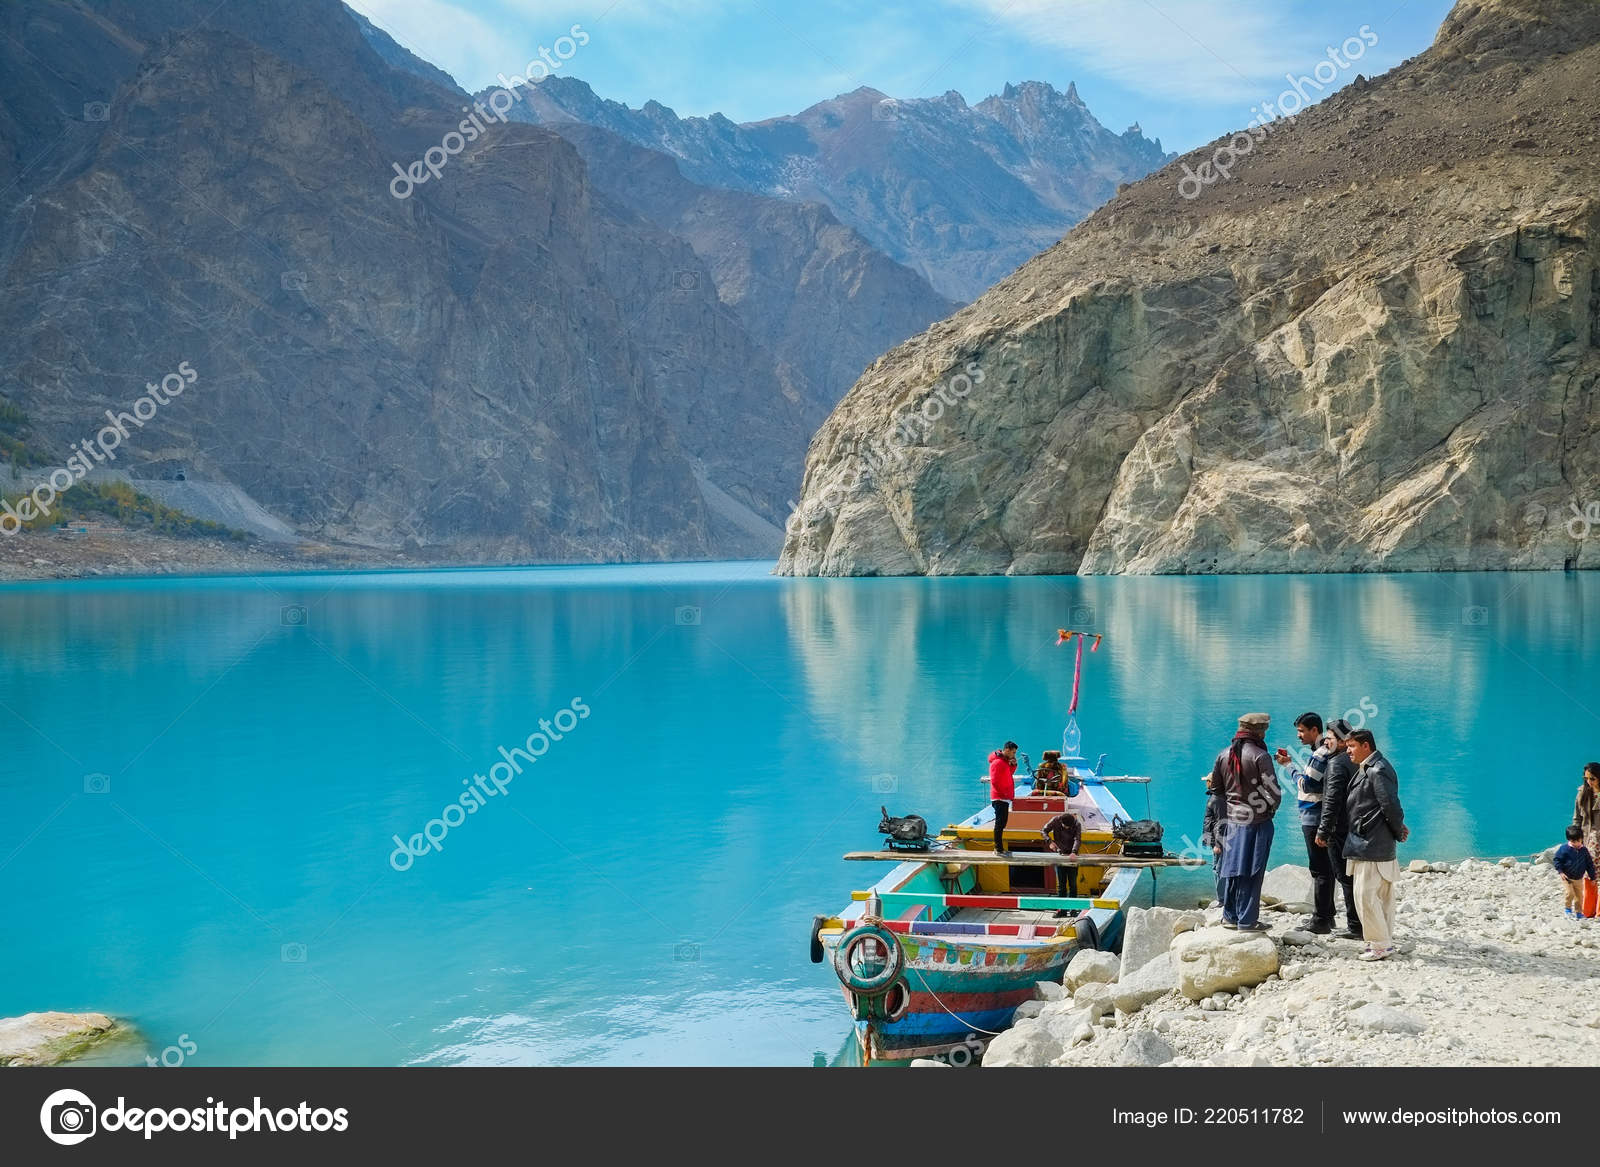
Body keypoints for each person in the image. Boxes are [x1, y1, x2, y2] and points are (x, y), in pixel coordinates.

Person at [1209, 712, 1282, 931]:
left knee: (1232, 869)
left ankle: (1230, 916)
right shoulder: (1261, 756)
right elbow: (1274, 793)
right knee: (1253, 870)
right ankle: (1248, 920)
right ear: (1260, 732)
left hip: (1232, 822)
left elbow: (1216, 790)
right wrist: (1269, 809)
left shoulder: (1223, 755)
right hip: (1257, 823)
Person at [1342, 729, 1408, 961]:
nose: (1347, 750)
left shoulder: (1378, 770)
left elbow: (1390, 805)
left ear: (1366, 746)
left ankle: (1380, 944)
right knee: (1377, 895)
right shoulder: (1372, 767)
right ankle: (1382, 941)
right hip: (1370, 839)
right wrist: (1398, 829)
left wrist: (1398, 830)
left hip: (1371, 842)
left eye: (1351, 746)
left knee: (1366, 896)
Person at [1277, 712, 1335, 934]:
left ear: (1314, 730)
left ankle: (1320, 920)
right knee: (1326, 868)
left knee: (1319, 869)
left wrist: (1289, 766)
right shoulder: (1325, 751)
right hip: (1322, 815)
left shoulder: (1320, 754)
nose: (1299, 736)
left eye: (1302, 731)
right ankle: (1328, 916)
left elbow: (1307, 785)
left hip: (1314, 816)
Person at [1313, 719, 1362, 940]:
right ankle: (1362, 922)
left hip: (1340, 828)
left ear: (1342, 742)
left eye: (1330, 738)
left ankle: (1355, 926)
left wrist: (1323, 831)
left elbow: (1331, 801)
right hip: (1357, 825)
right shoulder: (1357, 761)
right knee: (1357, 876)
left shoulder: (1336, 764)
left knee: (1345, 876)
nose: (1325, 741)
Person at [1572, 763, 1600, 919]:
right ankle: (1588, 910)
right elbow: (1577, 818)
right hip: (1588, 839)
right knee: (1589, 875)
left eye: (1593, 778)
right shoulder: (1582, 793)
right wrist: (1575, 839)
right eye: (1586, 778)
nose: (1589, 781)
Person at [1554, 825, 1596, 919]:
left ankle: (1578, 913)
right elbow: (1557, 860)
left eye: (1578, 841)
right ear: (1569, 840)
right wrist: (1560, 872)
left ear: (1581, 839)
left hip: (1578, 878)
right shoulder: (1564, 849)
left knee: (1579, 896)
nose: (1576, 843)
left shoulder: (1584, 850)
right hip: (1567, 877)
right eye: (1573, 841)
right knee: (1570, 893)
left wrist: (1592, 877)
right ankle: (1567, 909)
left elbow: (1589, 864)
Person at [1041, 810, 1082, 897]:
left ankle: (1073, 909)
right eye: (1065, 826)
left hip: (1072, 856)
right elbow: (1043, 831)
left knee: (1073, 885)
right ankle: (1062, 909)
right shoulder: (1055, 820)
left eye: (1069, 827)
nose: (1067, 828)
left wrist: (1074, 852)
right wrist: (1050, 842)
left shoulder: (1077, 824)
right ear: (1061, 822)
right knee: (1061, 885)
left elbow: (1077, 839)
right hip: (1060, 854)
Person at [988, 740, 1019, 854]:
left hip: (1004, 797)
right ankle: (998, 849)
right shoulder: (997, 763)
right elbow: (995, 781)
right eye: (1013, 752)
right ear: (1007, 750)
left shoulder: (1004, 762)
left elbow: (1008, 773)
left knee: (1002, 823)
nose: (1014, 755)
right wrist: (1004, 793)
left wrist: (1013, 765)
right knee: (1000, 823)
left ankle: (999, 848)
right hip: (1000, 797)